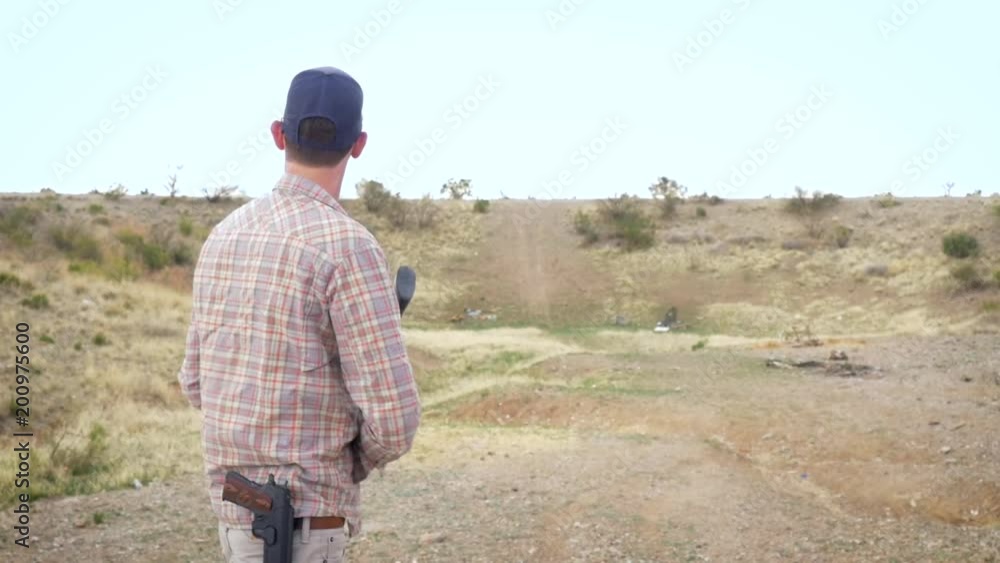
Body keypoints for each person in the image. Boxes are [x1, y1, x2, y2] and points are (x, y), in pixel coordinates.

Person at [177, 66, 422, 563]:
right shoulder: (349, 247)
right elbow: (395, 422)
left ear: (278, 134)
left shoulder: (224, 235)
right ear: (359, 145)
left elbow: (194, 384)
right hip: (307, 526)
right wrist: (349, 460)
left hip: (236, 512)